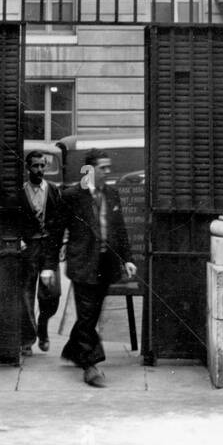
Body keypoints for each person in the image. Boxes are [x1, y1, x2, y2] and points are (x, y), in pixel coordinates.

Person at [47, 148, 136, 387]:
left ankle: (72, 350)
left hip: (106, 265)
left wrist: (127, 259)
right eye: (103, 167)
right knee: (87, 315)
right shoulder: (72, 195)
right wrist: (48, 266)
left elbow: (119, 230)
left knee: (92, 314)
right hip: (82, 263)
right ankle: (91, 366)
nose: (108, 171)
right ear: (89, 170)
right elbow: (55, 234)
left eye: (108, 167)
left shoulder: (112, 194)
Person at [18, 150, 64, 355]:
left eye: (42, 165)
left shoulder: (54, 190)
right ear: (28, 167)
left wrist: (61, 244)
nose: (39, 170)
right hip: (29, 249)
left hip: (49, 249)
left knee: (52, 294)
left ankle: (43, 324)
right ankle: (28, 339)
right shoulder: (21, 192)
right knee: (26, 294)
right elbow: (13, 220)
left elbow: (61, 220)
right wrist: (19, 240)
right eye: (35, 165)